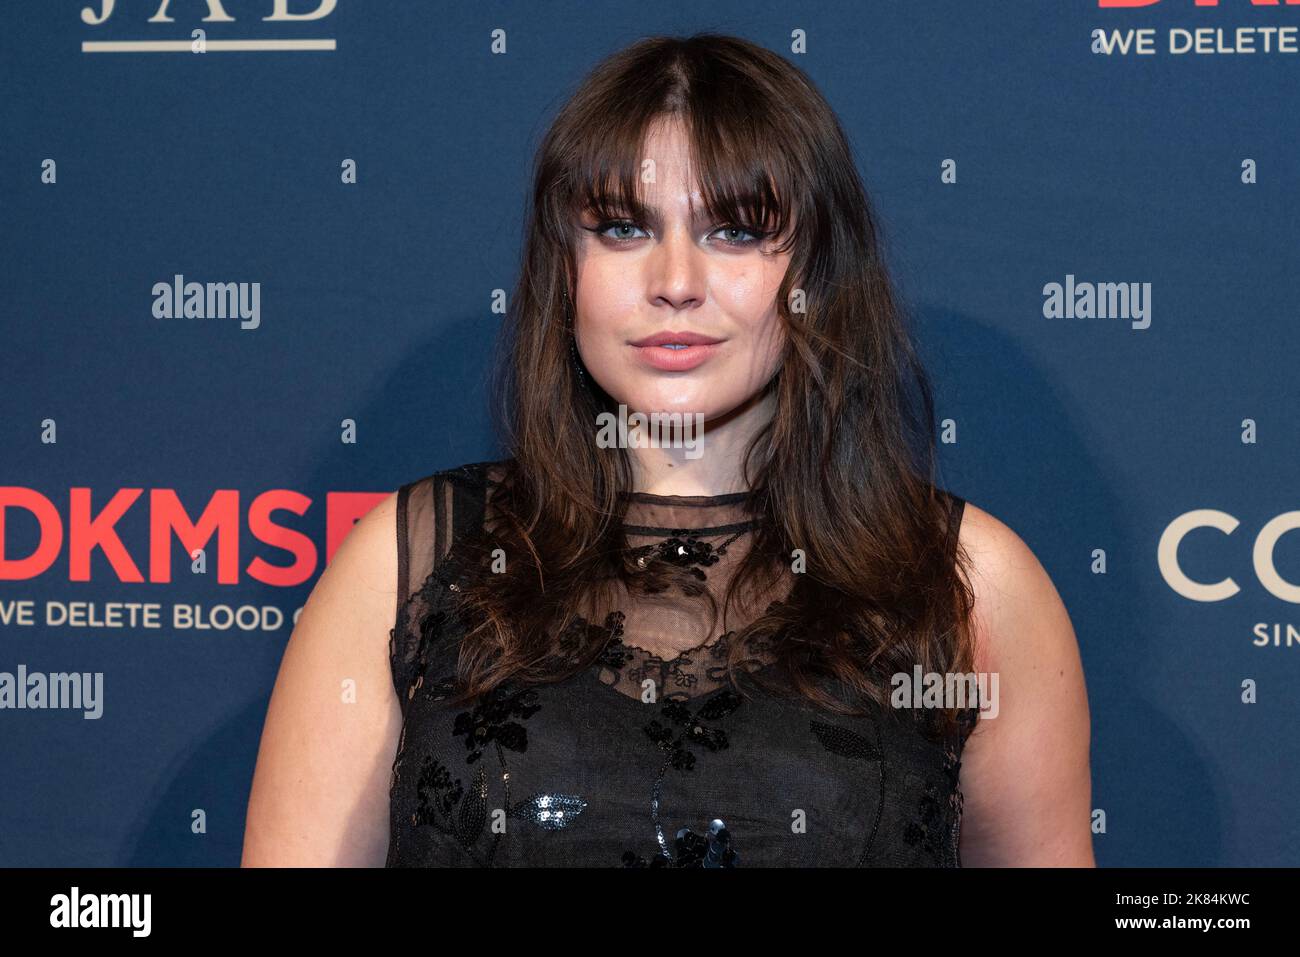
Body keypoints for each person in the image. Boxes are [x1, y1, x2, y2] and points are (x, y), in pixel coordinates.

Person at [242, 33, 1094, 868]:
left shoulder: (968, 586)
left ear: (816, 271)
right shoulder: (413, 562)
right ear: (563, 269)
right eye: (622, 228)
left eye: (734, 231)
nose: (676, 280)